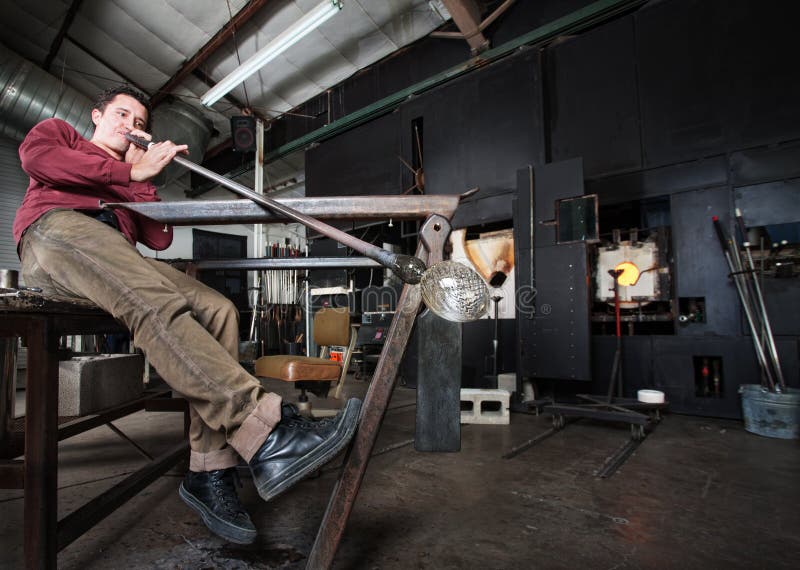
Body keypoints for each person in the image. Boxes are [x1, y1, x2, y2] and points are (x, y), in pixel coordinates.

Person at [12, 85, 361, 545]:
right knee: (152, 297)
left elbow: (157, 237)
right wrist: (128, 168)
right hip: (55, 233)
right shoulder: (61, 136)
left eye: (139, 123)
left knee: (217, 309)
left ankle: (207, 471)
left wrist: (144, 177)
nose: (130, 127)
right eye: (121, 115)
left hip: (114, 254)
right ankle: (264, 428)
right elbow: (38, 162)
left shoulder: (128, 174)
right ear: (96, 116)